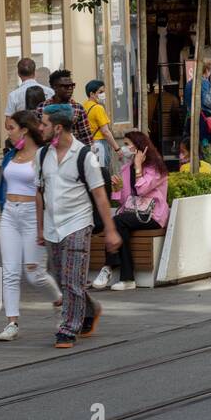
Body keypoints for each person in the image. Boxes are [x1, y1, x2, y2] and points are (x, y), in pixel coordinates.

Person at [36, 104, 119, 348]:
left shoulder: (85, 156)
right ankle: (91, 308)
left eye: (44, 124)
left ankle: (67, 329)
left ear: (58, 128)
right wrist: (39, 228)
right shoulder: (42, 156)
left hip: (78, 223)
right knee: (64, 279)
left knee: (73, 280)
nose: (40, 128)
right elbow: (39, 193)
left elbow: (101, 195)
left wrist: (110, 229)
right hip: (53, 227)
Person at [0, 110, 61, 340]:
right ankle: (12, 322)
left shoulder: (45, 155)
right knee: (10, 272)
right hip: (10, 215)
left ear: (24, 129)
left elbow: (50, 191)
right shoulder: (12, 155)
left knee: (35, 274)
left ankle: (59, 302)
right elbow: (2, 190)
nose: (8, 133)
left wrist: (45, 226)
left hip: (34, 216)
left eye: (11, 127)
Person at [95, 130, 168, 291]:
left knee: (118, 222)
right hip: (134, 214)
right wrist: (116, 188)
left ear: (139, 148)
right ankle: (126, 278)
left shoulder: (156, 168)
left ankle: (109, 267)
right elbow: (126, 201)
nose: (124, 147)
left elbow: (142, 191)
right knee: (117, 223)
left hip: (153, 216)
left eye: (127, 144)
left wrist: (138, 166)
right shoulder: (126, 169)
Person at [48, 69, 94, 145]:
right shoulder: (43, 107)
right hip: (49, 152)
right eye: (65, 86)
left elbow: (86, 137)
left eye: (72, 85)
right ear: (54, 87)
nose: (70, 88)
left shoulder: (78, 108)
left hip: (72, 153)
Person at [83, 79, 115, 167]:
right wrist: (117, 148)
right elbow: (105, 132)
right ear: (92, 94)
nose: (103, 94)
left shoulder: (84, 106)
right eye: (100, 92)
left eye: (103, 92)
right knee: (103, 172)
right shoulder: (98, 108)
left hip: (90, 143)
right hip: (100, 143)